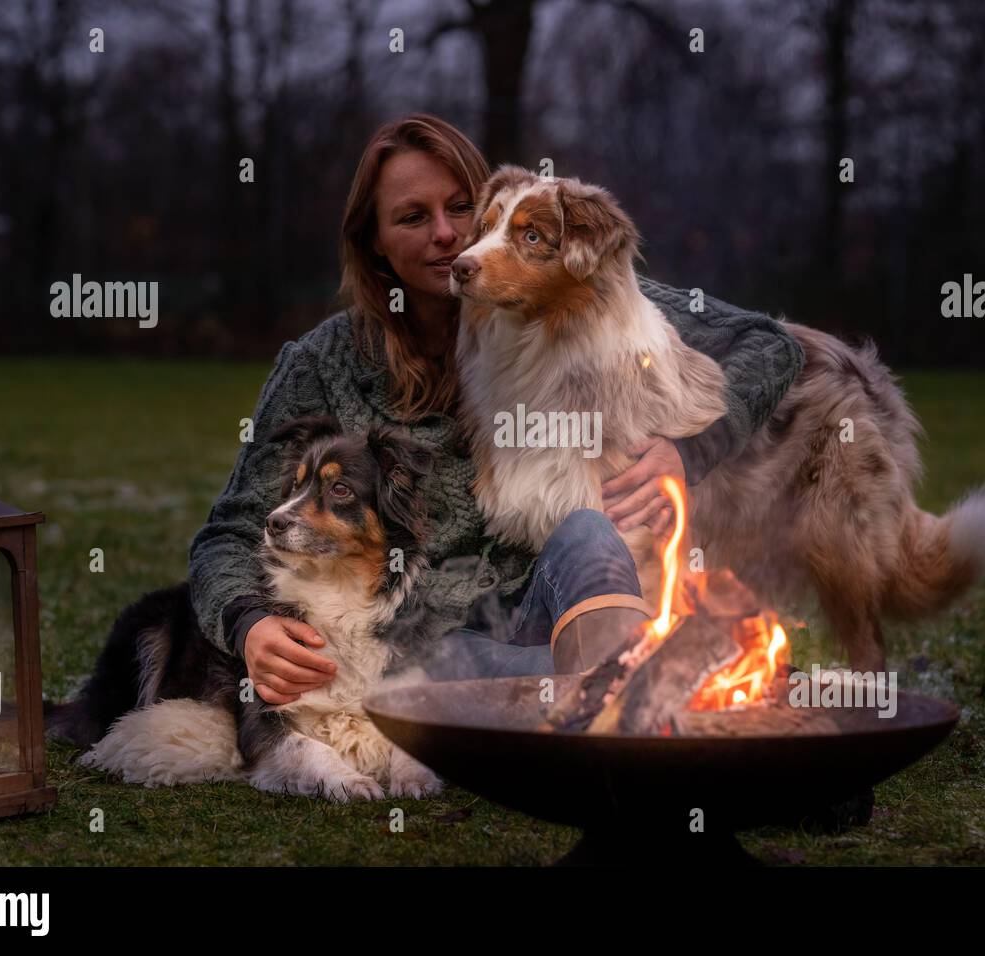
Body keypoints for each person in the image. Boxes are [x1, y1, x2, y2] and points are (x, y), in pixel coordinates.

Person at [187, 113, 804, 704]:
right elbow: (233, 530)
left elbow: (769, 345)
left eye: (463, 210)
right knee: (541, 671)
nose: (448, 236)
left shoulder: (556, 288)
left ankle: (641, 694)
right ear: (373, 243)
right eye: (411, 217)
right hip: (421, 643)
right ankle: (679, 695)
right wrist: (249, 625)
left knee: (589, 530)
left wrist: (691, 451)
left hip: (546, 604)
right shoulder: (322, 364)